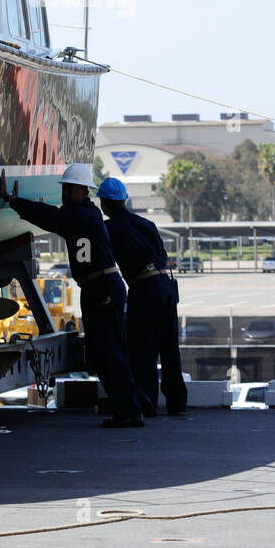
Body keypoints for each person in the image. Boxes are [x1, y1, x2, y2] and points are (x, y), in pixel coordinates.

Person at [0, 163, 149, 427]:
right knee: (104, 352)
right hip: (97, 286)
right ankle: (131, 406)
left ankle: (130, 410)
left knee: (109, 352)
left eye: (70, 189)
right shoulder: (83, 214)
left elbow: (52, 219)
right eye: (65, 189)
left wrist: (17, 203)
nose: (66, 193)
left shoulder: (83, 216)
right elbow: (55, 217)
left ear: (83, 191)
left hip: (101, 287)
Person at [98, 177, 187, 415]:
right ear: (124, 199)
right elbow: (161, 254)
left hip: (144, 289)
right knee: (169, 348)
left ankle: (147, 403)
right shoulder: (146, 223)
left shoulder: (108, 229)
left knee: (143, 350)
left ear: (104, 204)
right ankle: (177, 404)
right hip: (167, 287)